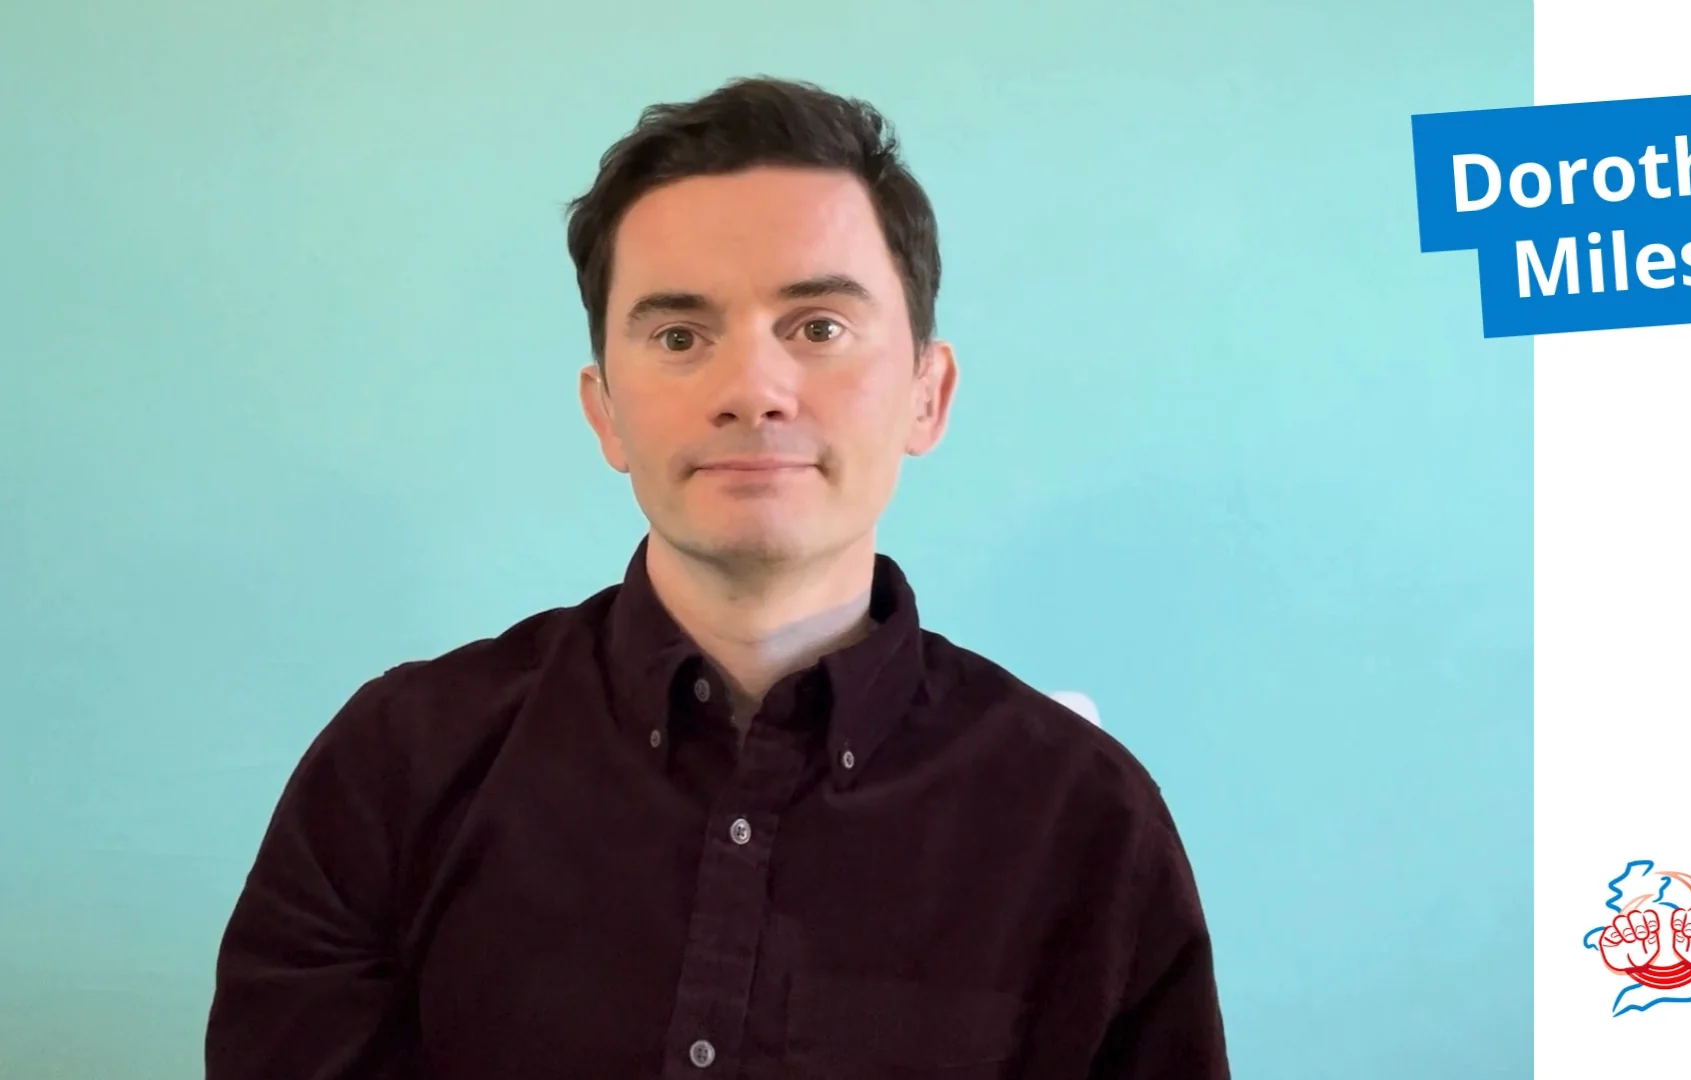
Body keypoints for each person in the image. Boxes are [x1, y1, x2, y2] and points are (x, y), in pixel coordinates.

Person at [206, 75, 1228, 1080]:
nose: (752, 390)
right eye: (680, 336)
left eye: (818, 327)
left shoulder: (1084, 821)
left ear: (928, 393)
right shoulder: (397, 767)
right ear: (605, 411)